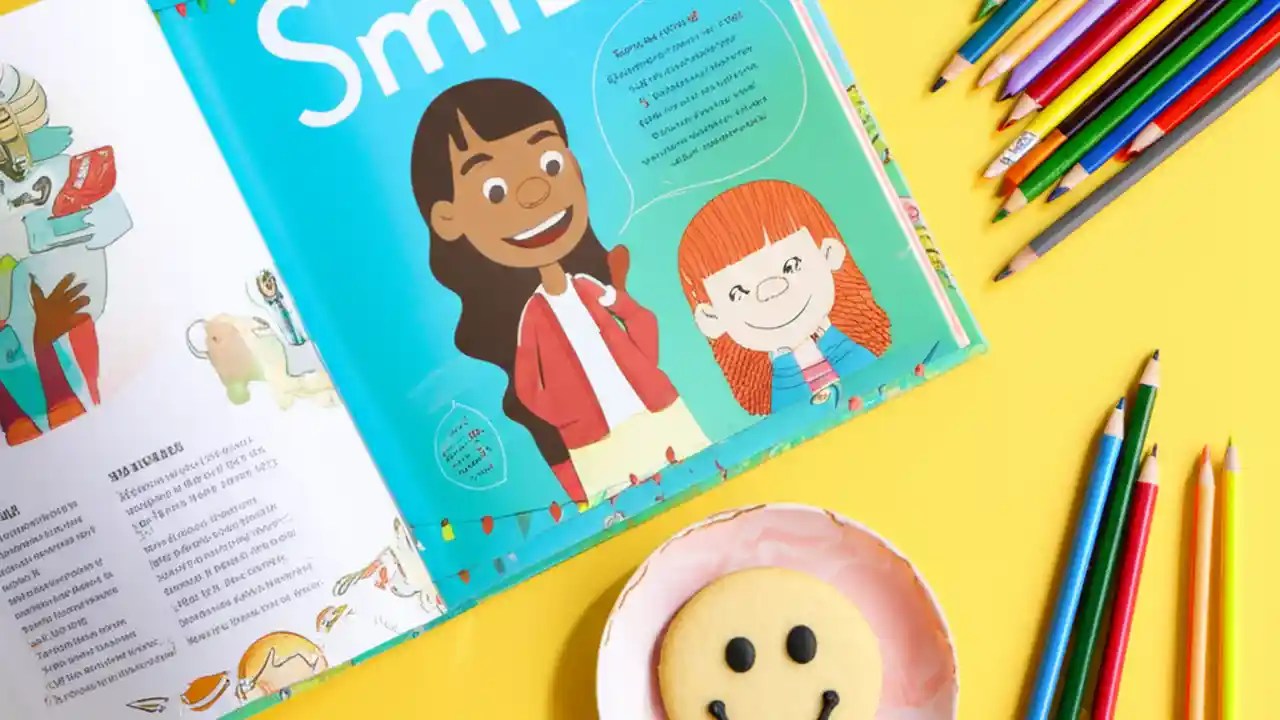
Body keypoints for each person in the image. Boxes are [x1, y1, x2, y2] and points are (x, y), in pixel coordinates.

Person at [411, 78, 708, 505]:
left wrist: (644, 365)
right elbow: (529, 383)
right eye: (494, 190)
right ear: (447, 218)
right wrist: (565, 415)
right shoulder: (530, 316)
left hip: (657, 408)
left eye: (550, 163)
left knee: (697, 467)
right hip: (591, 441)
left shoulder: (591, 287)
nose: (536, 191)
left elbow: (642, 320)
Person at [677, 180, 891, 415]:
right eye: (738, 293)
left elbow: (873, 375)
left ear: (829, 253)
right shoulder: (773, 380)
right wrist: (786, 363)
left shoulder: (845, 339)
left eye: (792, 266)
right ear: (710, 318)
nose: (771, 291)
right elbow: (792, 413)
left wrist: (831, 341)